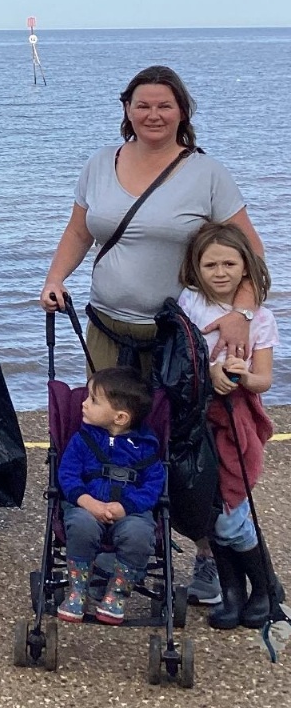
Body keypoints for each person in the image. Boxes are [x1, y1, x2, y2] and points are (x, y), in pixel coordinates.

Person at [40, 64, 265, 604]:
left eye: (165, 105)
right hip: (106, 327)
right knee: (102, 438)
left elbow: (252, 257)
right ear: (126, 110)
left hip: (178, 341)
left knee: (186, 448)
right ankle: (110, 547)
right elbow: (78, 231)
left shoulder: (206, 173)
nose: (153, 114)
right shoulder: (100, 163)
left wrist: (240, 314)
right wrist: (54, 278)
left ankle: (208, 558)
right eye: (142, 104)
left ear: (182, 111)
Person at [177, 221, 279, 629]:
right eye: (210, 265)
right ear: (196, 269)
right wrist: (210, 371)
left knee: (232, 505)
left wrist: (239, 375)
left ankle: (265, 586)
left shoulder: (261, 319)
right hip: (200, 418)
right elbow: (183, 356)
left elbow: (264, 379)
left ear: (244, 267)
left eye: (229, 264)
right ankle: (233, 590)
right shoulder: (189, 303)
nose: (220, 273)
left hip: (237, 419)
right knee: (209, 503)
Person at [56, 367, 165, 624]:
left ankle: (117, 593)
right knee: (80, 525)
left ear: (120, 417)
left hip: (130, 512)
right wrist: (87, 501)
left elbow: (153, 486)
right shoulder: (82, 440)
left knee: (139, 534)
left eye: (93, 400)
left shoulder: (146, 447)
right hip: (86, 507)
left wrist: (125, 507)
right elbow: (68, 475)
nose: (84, 403)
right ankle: (78, 589)